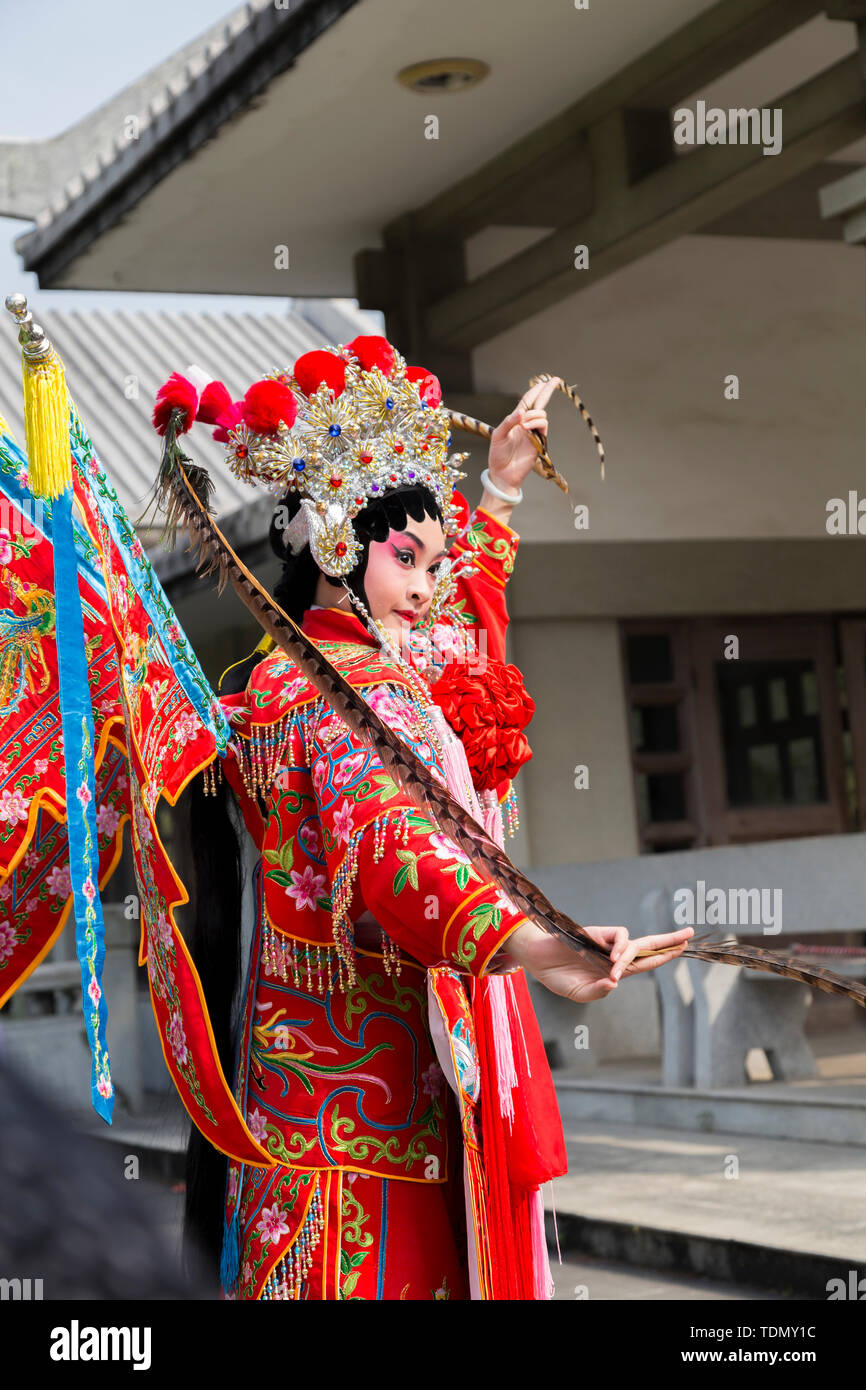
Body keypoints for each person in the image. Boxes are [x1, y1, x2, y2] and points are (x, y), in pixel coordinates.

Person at [172, 333, 693, 1300]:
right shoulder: (311, 688)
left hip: (393, 1076)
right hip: (348, 1119)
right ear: (335, 541)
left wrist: (499, 490)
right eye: (406, 558)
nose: (424, 586)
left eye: (432, 563)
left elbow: (466, 617)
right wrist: (535, 945)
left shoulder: (371, 667)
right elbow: (388, 841)